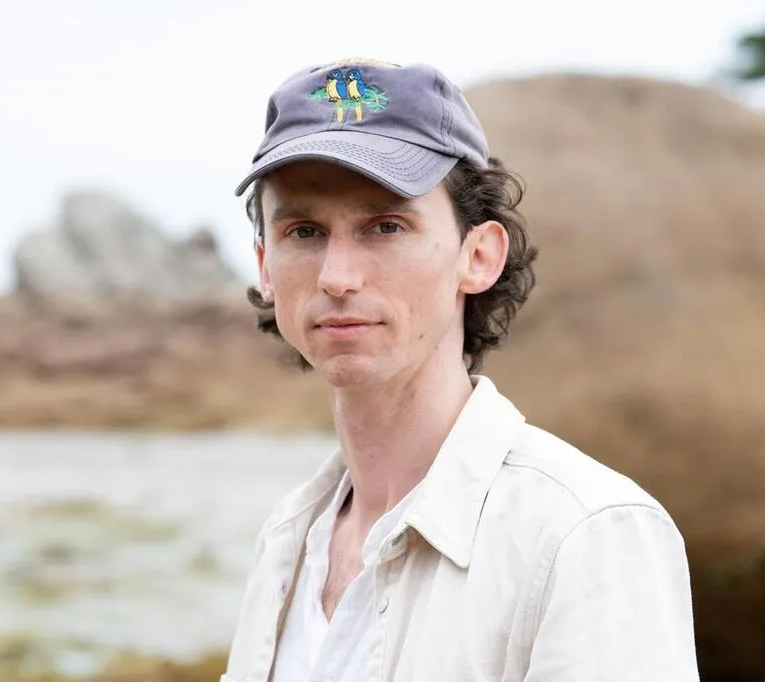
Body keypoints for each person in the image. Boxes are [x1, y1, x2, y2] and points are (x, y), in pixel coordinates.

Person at [223, 58, 699, 682]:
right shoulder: (289, 538)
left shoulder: (584, 535)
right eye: (304, 231)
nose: (337, 277)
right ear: (264, 264)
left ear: (479, 256)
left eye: (386, 226)